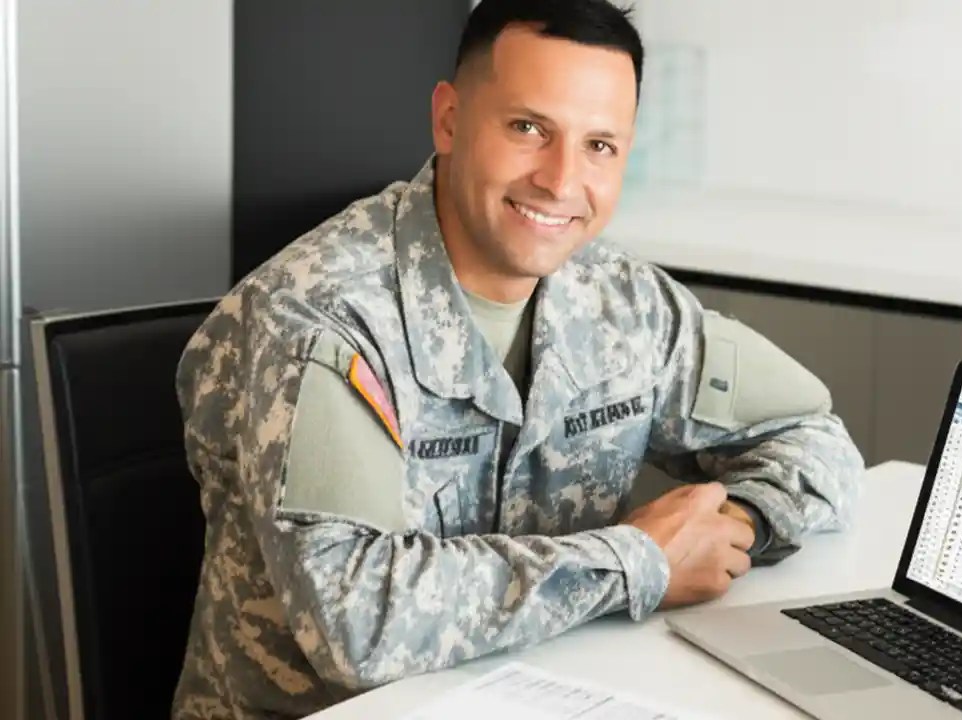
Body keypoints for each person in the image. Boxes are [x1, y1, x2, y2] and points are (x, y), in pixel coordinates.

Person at [170, 0, 864, 717]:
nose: (561, 181)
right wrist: (638, 560)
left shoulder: (624, 302)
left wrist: (732, 524)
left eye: (600, 145)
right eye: (529, 129)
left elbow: (816, 437)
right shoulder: (321, 313)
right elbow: (357, 617)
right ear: (449, 120)